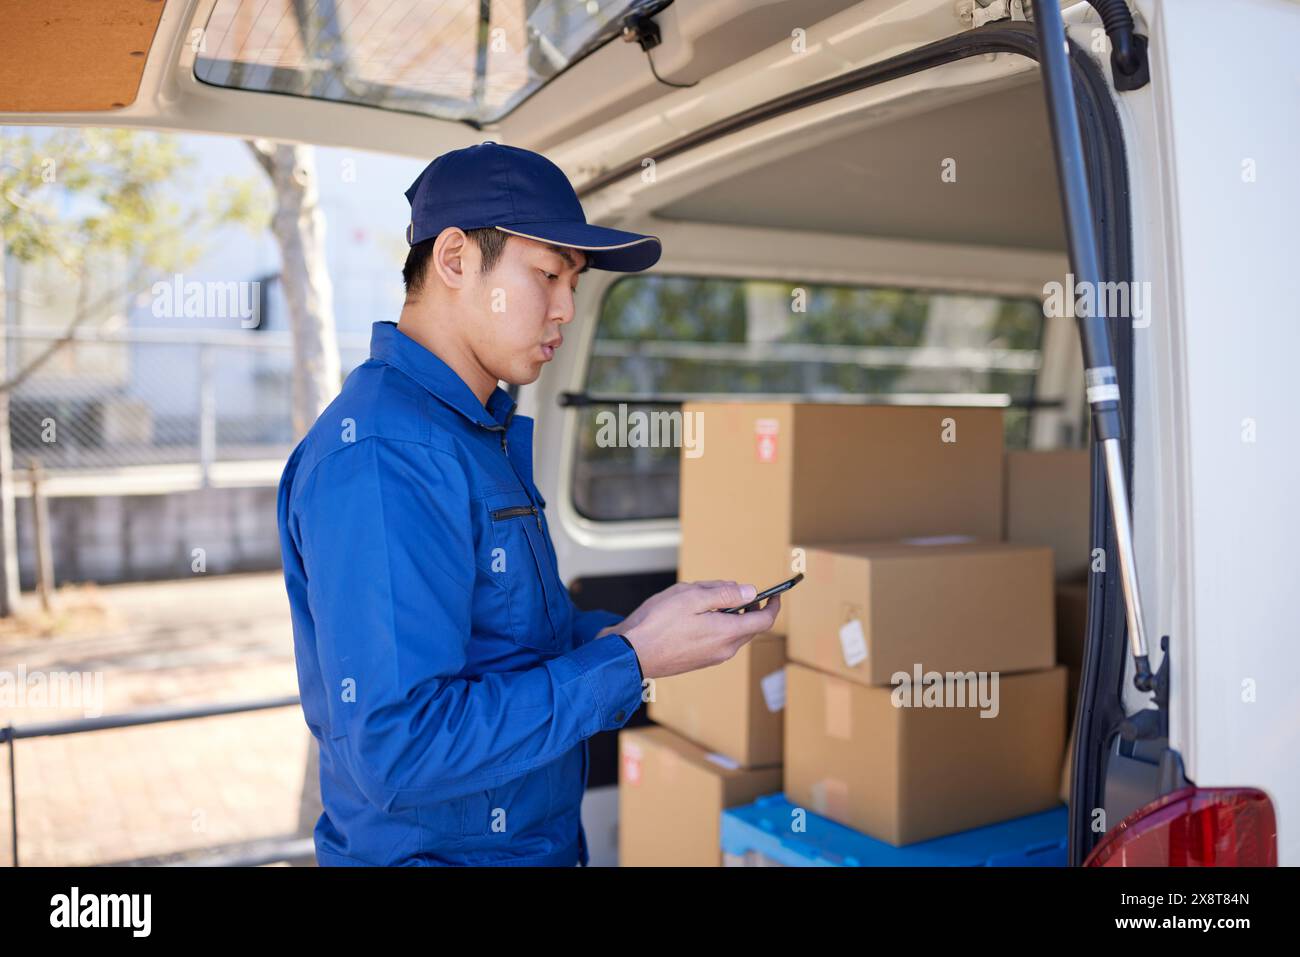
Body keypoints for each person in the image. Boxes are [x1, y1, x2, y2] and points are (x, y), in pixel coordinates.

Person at [276, 142, 779, 866]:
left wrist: (647, 634)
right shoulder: (385, 454)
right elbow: (400, 749)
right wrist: (628, 661)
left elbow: (503, 637)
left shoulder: (474, 431)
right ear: (453, 260)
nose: (567, 308)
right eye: (547, 275)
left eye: (572, 282)